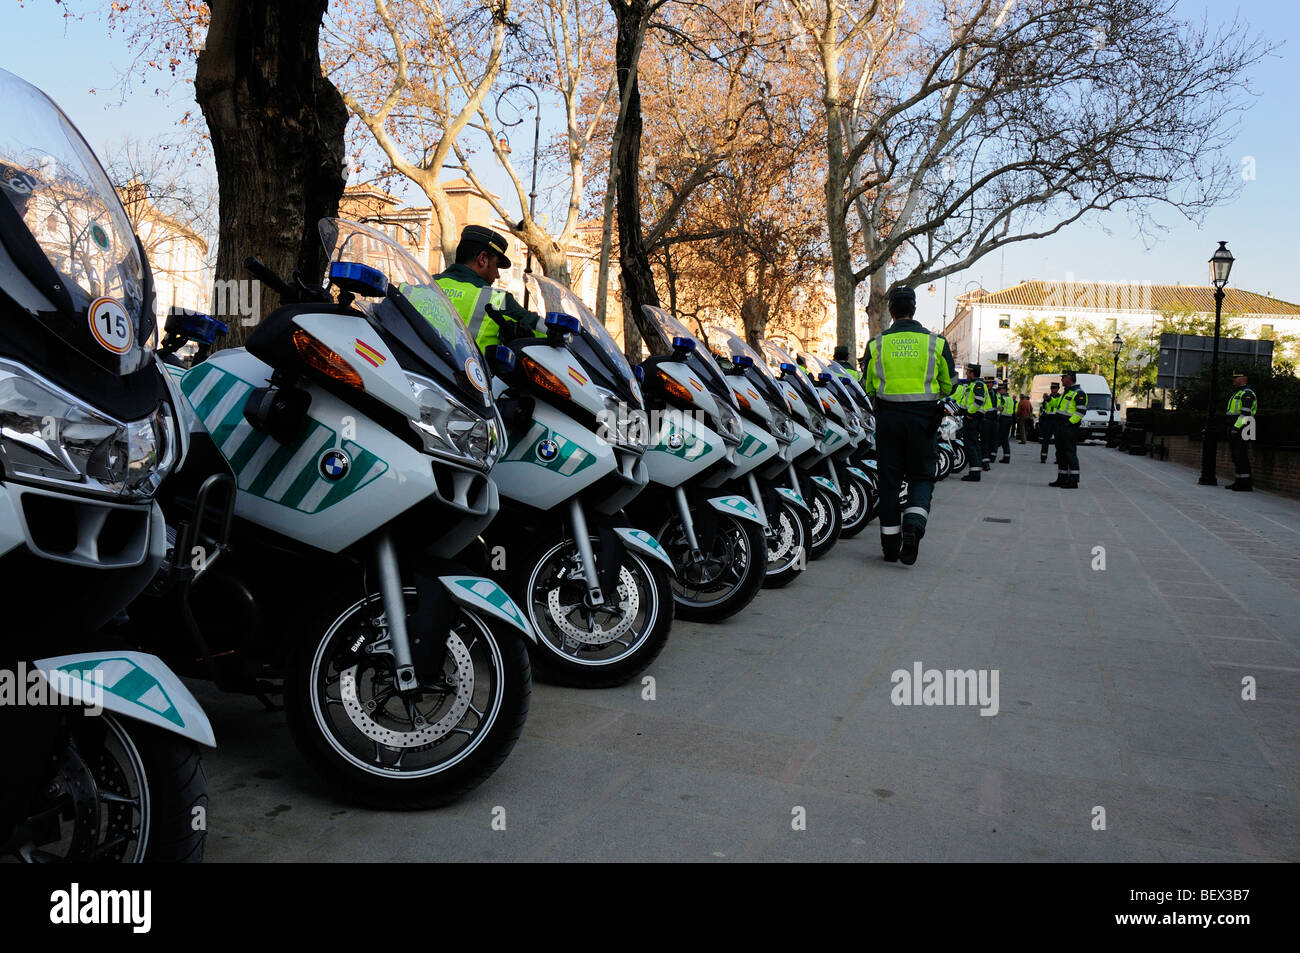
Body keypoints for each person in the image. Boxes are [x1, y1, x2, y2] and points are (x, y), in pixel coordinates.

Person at [863, 285, 956, 565]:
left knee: (890, 483)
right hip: (923, 421)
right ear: (914, 309)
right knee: (921, 476)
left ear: (891, 311)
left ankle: (890, 546)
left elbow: (867, 386)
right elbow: (949, 386)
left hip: (888, 420)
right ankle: (913, 525)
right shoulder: (936, 343)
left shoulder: (876, 344)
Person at [434, 224, 542, 350]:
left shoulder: (424, 285)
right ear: (483, 259)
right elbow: (539, 328)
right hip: (469, 369)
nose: (497, 275)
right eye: (496, 265)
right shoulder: (496, 299)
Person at [1051, 371, 1086, 488]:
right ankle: (1062, 478)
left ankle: (1073, 480)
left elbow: (1081, 412)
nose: (1061, 380)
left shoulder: (1079, 393)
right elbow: (1057, 405)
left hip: (1069, 428)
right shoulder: (1066, 393)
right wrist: (1048, 399)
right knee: (1060, 454)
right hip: (1060, 427)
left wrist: (1069, 423)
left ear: (1069, 378)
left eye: (1063, 378)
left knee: (1070, 453)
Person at [1226, 371, 1258, 491]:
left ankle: (1245, 484)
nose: (1233, 380)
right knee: (1236, 456)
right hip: (1239, 426)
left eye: (1236, 378)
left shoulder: (1247, 394)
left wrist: (1236, 428)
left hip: (1245, 427)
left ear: (1243, 378)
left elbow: (1245, 413)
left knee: (1241, 455)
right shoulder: (1238, 393)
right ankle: (1239, 482)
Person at [958, 367, 989, 483]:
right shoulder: (972, 384)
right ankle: (975, 471)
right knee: (973, 445)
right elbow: (968, 402)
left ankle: (975, 474)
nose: (966, 373)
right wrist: (960, 411)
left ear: (972, 373)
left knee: (971, 445)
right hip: (972, 418)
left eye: (968, 372)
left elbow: (978, 401)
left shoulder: (978, 384)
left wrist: (969, 414)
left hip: (973, 419)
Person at [1039, 381, 1060, 463]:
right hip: (1048, 420)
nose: (1053, 390)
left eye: (1054, 388)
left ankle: (1058, 459)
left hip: (1056, 419)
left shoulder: (1060, 397)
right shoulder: (1047, 397)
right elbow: (1042, 407)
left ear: (1058, 389)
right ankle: (1043, 458)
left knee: (1058, 441)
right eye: (1051, 388)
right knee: (1045, 440)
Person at [996, 381, 1015, 462]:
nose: (998, 391)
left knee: (999, 439)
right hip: (1009, 419)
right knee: (1005, 439)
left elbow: (999, 408)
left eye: (1000, 389)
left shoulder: (1002, 398)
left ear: (1004, 390)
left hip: (1003, 419)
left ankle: (992, 456)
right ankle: (1006, 457)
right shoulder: (1010, 398)